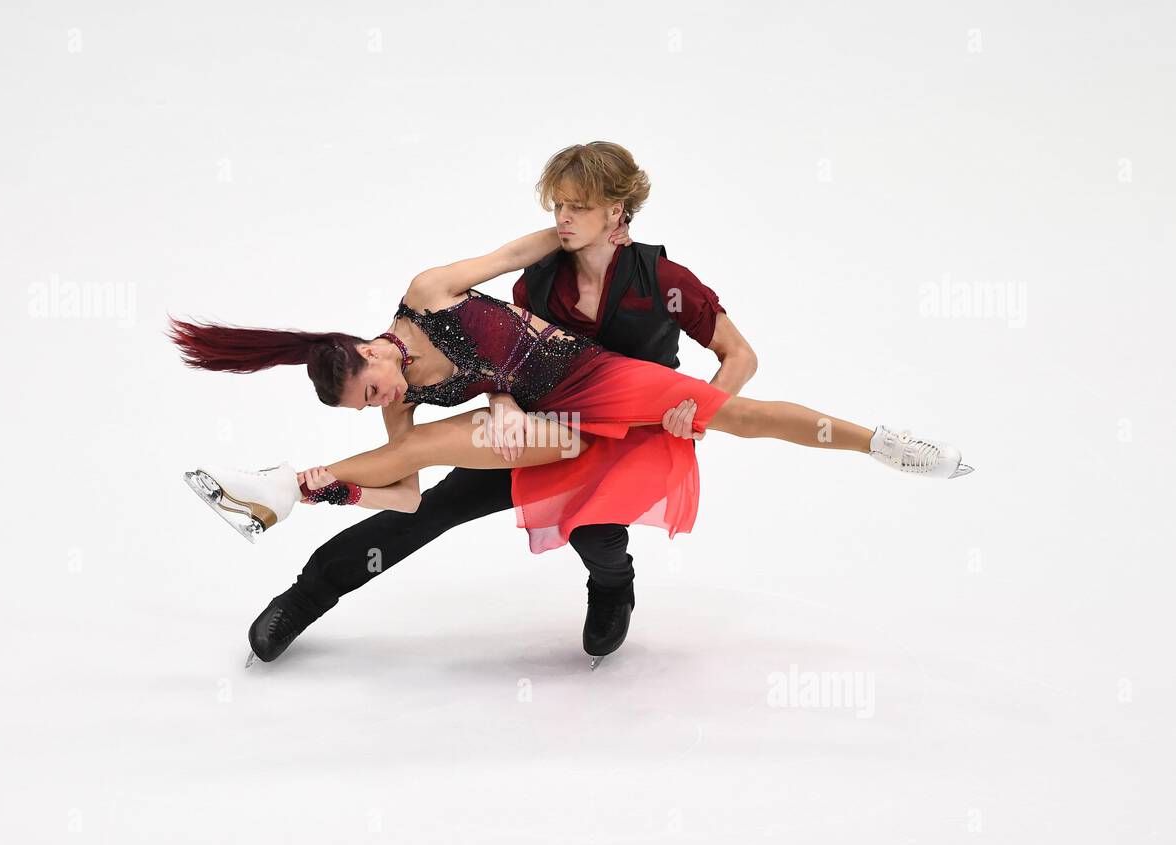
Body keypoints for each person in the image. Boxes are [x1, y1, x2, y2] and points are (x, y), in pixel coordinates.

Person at [170, 189, 973, 668]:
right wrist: (484, 417)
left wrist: (689, 414)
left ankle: (881, 444)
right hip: (532, 431)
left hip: (597, 386)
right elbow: (406, 494)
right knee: (409, 474)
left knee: (714, 441)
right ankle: (295, 528)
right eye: (377, 396)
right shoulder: (407, 392)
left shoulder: (438, 291)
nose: (394, 389)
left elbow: (530, 246)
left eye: (379, 382)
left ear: (369, 346)